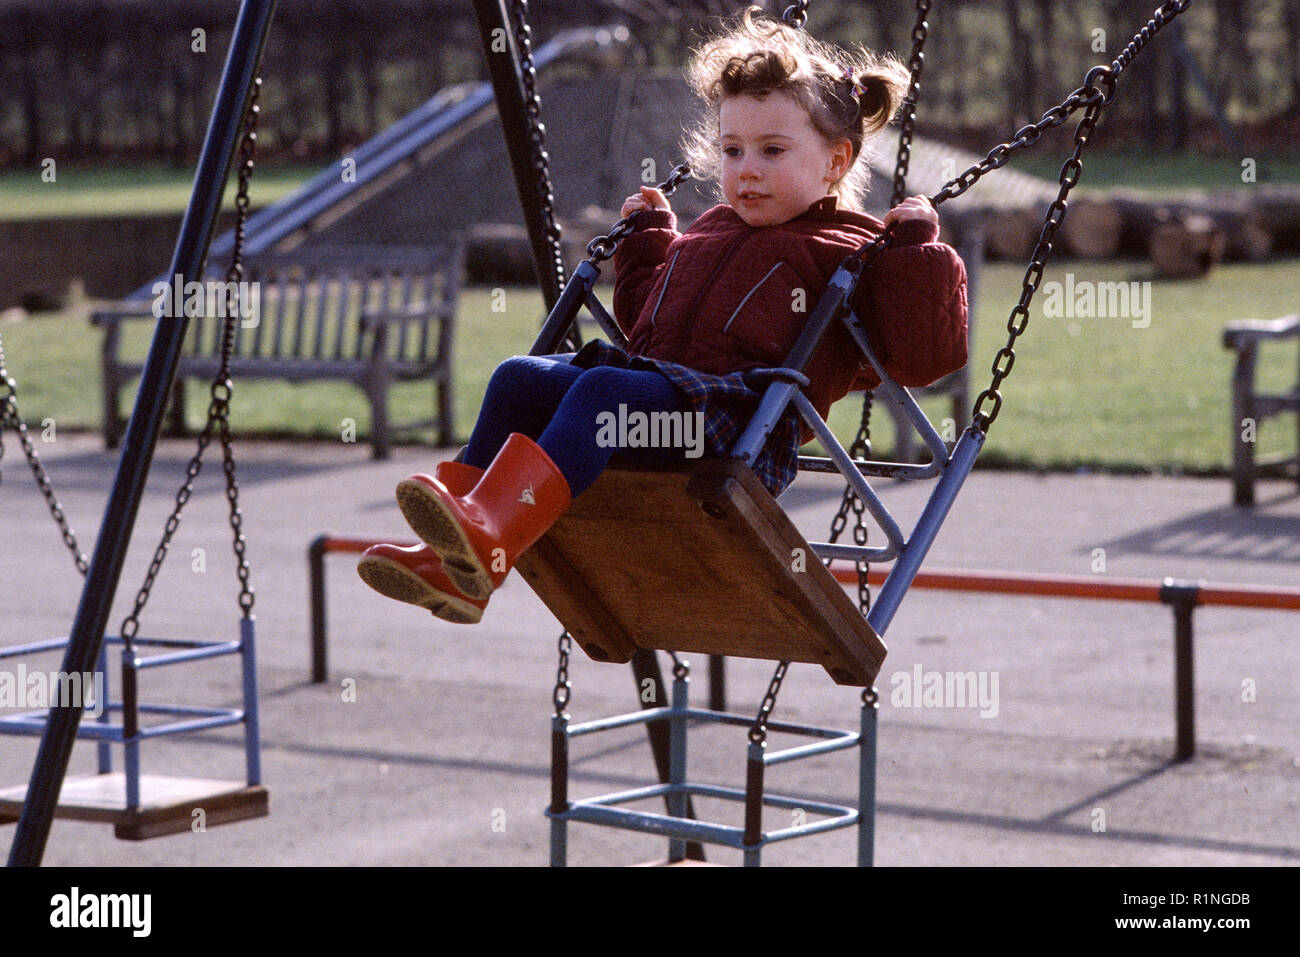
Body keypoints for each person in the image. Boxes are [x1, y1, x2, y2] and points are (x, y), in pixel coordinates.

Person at [357, 7, 968, 624]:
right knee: (519, 375)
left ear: (837, 161)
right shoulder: (711, 229)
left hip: (734, 425)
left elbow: (921, 356)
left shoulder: (854, 251)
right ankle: (457, 557)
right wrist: (650, 240)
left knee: (602, 391)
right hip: (663, 398)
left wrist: (917, 253)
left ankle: (490, 532)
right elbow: (646, 323)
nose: (746, 168)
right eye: (732, 150)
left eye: (772, 150)